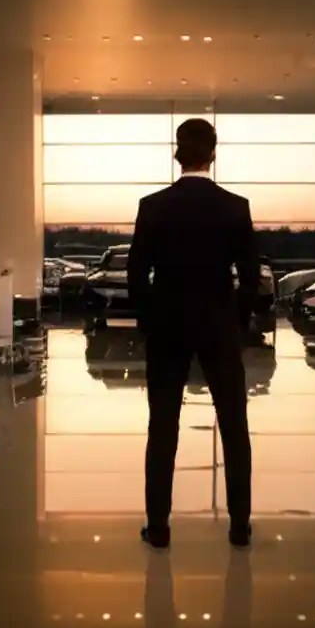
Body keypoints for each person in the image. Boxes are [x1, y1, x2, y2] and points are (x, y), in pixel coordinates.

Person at [128, 118, 257, 550]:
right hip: (219, 328)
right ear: (213, 154)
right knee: (235, 426)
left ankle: (159, 528)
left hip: (167, 329)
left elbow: (135, 274)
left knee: (162, 427)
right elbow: (251, 276)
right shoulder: (235, 207)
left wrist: (149, 319)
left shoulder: (153, 206)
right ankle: (239, 528)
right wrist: (236, 321)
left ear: (177, 152)